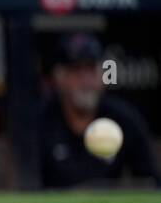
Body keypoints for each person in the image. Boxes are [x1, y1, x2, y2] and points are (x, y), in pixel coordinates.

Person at [37, 34, 160, 189]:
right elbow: (26, 188)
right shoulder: (41, 122)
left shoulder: (123, 118)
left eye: (92, 70)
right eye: (77, 71)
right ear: (60, 78)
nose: (86, 81)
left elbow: (151, 183)